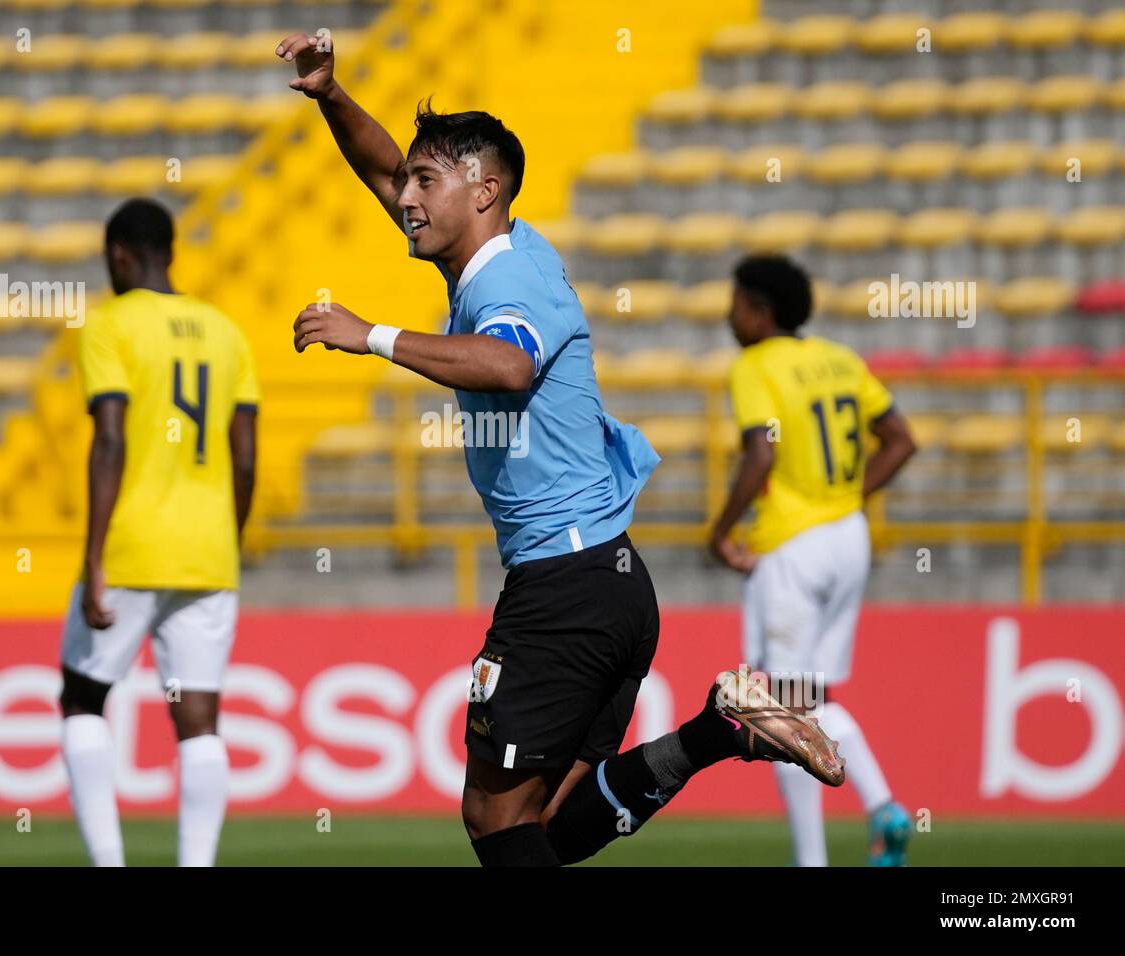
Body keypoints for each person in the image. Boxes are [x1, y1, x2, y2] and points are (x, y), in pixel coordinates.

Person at [276, 34, 845, 867]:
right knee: (554, 825)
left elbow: (508, 366)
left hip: (562, 590)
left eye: (426, 183)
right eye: (410, 183)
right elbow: (382, 169)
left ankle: (718, 730)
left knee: (496, 822)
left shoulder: (504, 284)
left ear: (485, 187)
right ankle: (718, 730)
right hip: (609, 583)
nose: (406, 199)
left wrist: (373, 336)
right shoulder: (501, 250)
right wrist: (331, 96)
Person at [57, 198, 260, 867]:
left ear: (119, 255)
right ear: (170, 252)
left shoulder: (110, 325)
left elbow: (109, 440)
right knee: (198, 720)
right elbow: (247, 455)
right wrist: (226, 539)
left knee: (84, 699)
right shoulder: (226, 331)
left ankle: (110, 863)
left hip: (134, 545)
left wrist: (93, 560)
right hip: (208, 555)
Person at [709, 254, 917, 866]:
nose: (730, 315)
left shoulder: (755, 365)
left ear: (760, 312)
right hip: (848, 537)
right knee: (806, 699)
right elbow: (901, 439)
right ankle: (875, 816)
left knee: (787, 713)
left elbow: (762, 456)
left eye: (738, 303)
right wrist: (845, 499)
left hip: (794, 551)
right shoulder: (840, 359)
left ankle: (853, 829)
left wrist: (720, 531)